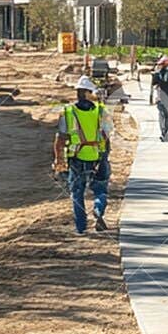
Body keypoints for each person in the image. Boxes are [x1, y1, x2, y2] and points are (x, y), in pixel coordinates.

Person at [55, 75, 111, 233]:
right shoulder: (101, 110)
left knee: (77, 192)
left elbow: (60, 138)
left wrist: (58, 159)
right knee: (100, 188)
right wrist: (105, 155)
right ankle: (98, 210)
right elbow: (107, 136)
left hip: (76, 158)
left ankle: (81, 227)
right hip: (97, 156)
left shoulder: (68, 111)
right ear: (88, 92)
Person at [149, 55, 168, 141]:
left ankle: (164, 132)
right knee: (162, 116)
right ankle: (163, 133)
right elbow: (154, 84)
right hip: (160, 98)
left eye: (161, 64)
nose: (159, 66)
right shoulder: (158, 74)